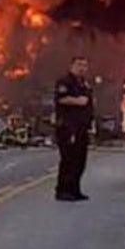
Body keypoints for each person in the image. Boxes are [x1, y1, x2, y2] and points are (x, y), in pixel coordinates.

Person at [54, 55, 94, 201]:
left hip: (82, 127)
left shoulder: (84, 84)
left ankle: (75, 190)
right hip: (68, 126)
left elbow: (89, 103)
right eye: (79, 65)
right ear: (72, 66)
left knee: (80, 160)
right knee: (68, 159)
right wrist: (77, 101)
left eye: (84, 65)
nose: (82, 68)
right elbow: (61, 98)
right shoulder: (65, 82)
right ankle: (63, 190)